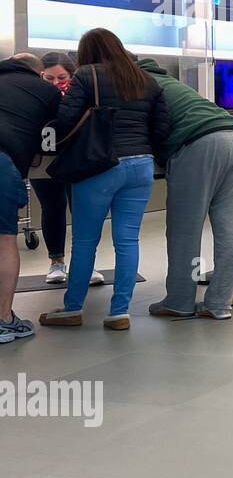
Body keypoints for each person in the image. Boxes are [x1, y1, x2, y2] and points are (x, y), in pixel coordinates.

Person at [39, 29, 171, 332]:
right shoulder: (146, 79)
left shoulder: (87, 75)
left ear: (87, 51)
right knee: (128, 239)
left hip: (99, 165)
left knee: (85, 241)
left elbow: (67, 118)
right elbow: (162, 126)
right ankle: (119, 312)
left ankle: (72, 308)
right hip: (141, 165)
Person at [138, 58, 233, 321]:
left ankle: (179, 300)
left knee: (185, 229)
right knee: (230, 228)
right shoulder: (169, 81)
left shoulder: (136, 85)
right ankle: (219, 303)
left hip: (199, 144)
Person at [0, 52, 63, 344]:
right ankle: (3, 321)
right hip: (3, 159)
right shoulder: (46, 91)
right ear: (39, 74)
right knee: (4, 240)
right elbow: (50, 135)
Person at [32, 53, 105, 288]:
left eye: (61, 77)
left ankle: (86, 264)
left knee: (82, 209)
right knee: (52, 207)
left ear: (71, 75)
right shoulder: (33, 95)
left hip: (76, 158)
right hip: (44, 160)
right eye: (49, 77)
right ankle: (56, 262)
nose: (55, 83)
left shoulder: (82, 93)